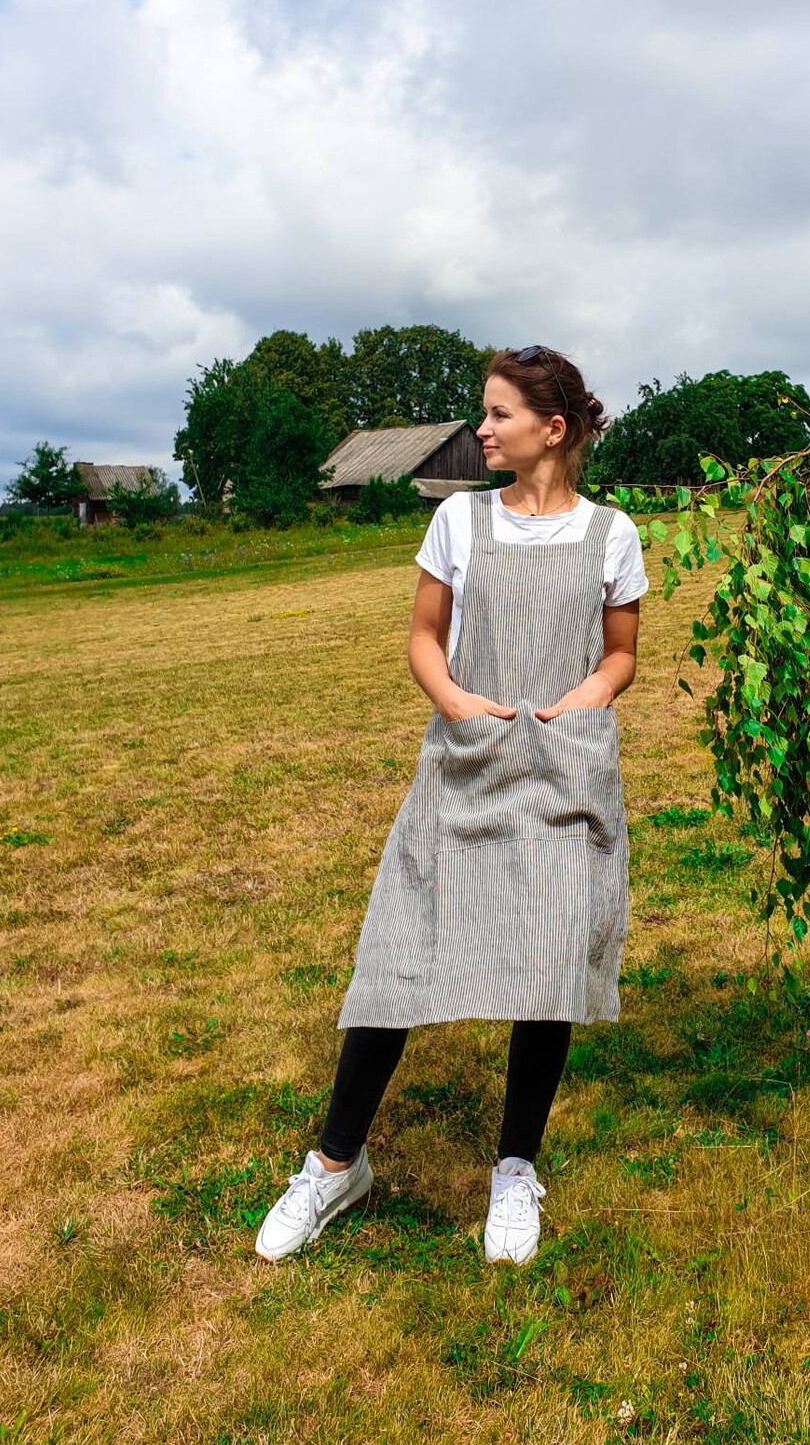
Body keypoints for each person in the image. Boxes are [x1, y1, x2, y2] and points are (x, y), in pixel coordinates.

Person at [255, 345, 648, 1265]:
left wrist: (581, 703)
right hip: (465, 764)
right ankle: (334, 1163)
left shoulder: (612, 533)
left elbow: (620, 654)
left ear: (551, 430)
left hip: (559, 770)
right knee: (398, 956)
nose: (481, 430)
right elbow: (424, 639)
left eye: (498, 415)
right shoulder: (459, 525)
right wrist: (462, 704)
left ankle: (515, 1169)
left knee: (548, 963)